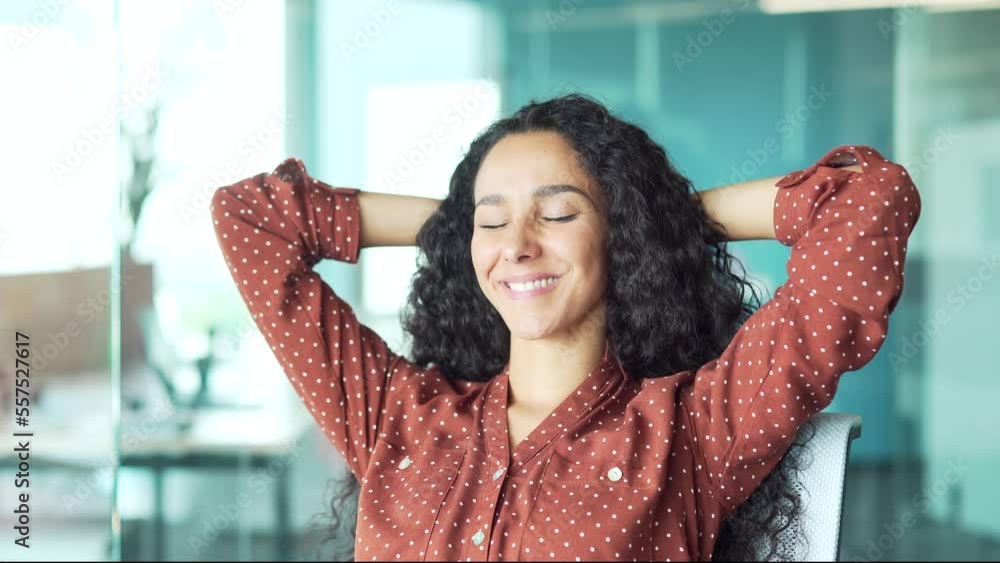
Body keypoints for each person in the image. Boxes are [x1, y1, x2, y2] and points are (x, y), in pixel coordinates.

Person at [210, 93, 920, 561]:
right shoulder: (393, 415)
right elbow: (251, 220)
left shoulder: (694, 430)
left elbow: (868, 200)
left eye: (556, 214)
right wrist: (457, 223)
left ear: (622, 236)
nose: (515, 244)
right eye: (493, 220)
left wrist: (660, 214)